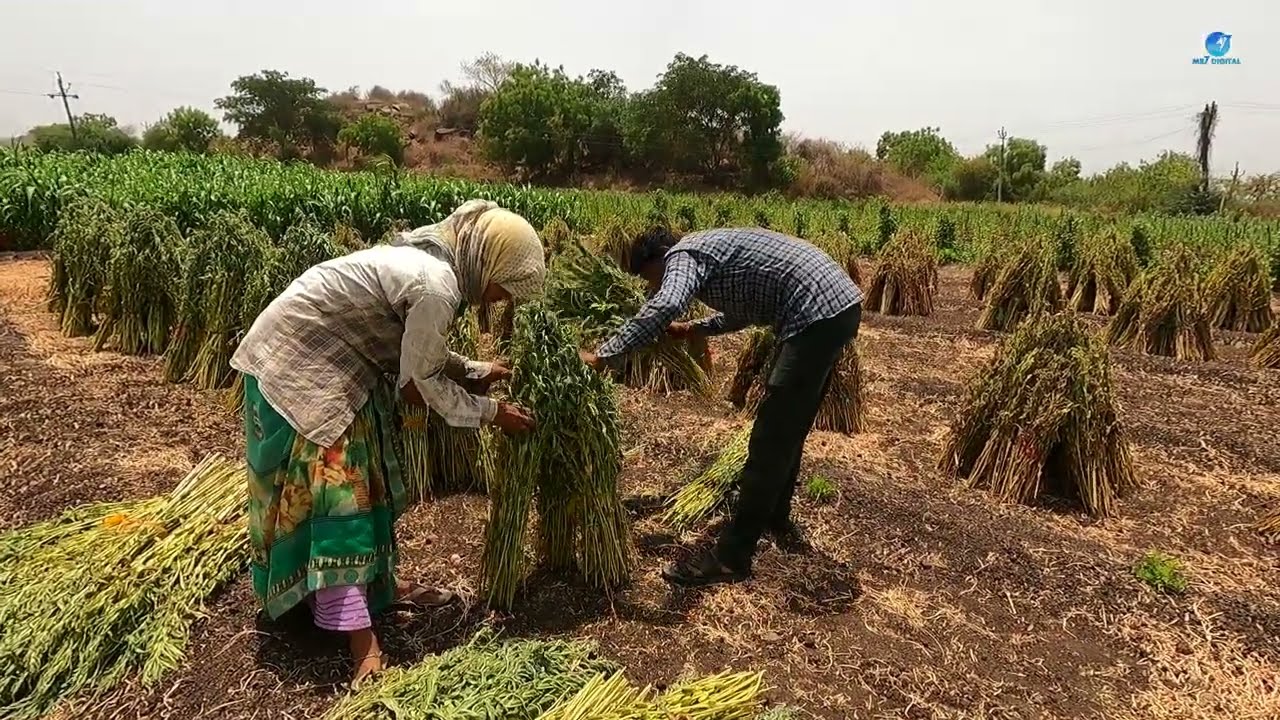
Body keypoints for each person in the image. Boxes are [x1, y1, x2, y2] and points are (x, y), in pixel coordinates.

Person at [230, 200, 544, 686]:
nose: (502, 299)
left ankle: (378, 588)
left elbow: (419, 348)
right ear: (490, 259)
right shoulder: (437, 284)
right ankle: (361, 643)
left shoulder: (434, 268)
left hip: (330, 366)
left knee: (363, 489)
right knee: (342, 505)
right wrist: (494, 413)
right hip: (301, 371)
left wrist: (477, 371)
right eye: (507, 286)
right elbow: (419, 382)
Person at [580, 226, 863, 587]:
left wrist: (605, 355)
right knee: (790, 426)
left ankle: (732, 558)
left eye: (651, 278)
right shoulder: (713, 253)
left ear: (657, 259)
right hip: (837, 307)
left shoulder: (681, 255)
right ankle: (776, 516)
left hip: (814, 314)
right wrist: (694, 328)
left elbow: (665, 304)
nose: (653, 287)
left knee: (770, 438)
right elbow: (744, 313)